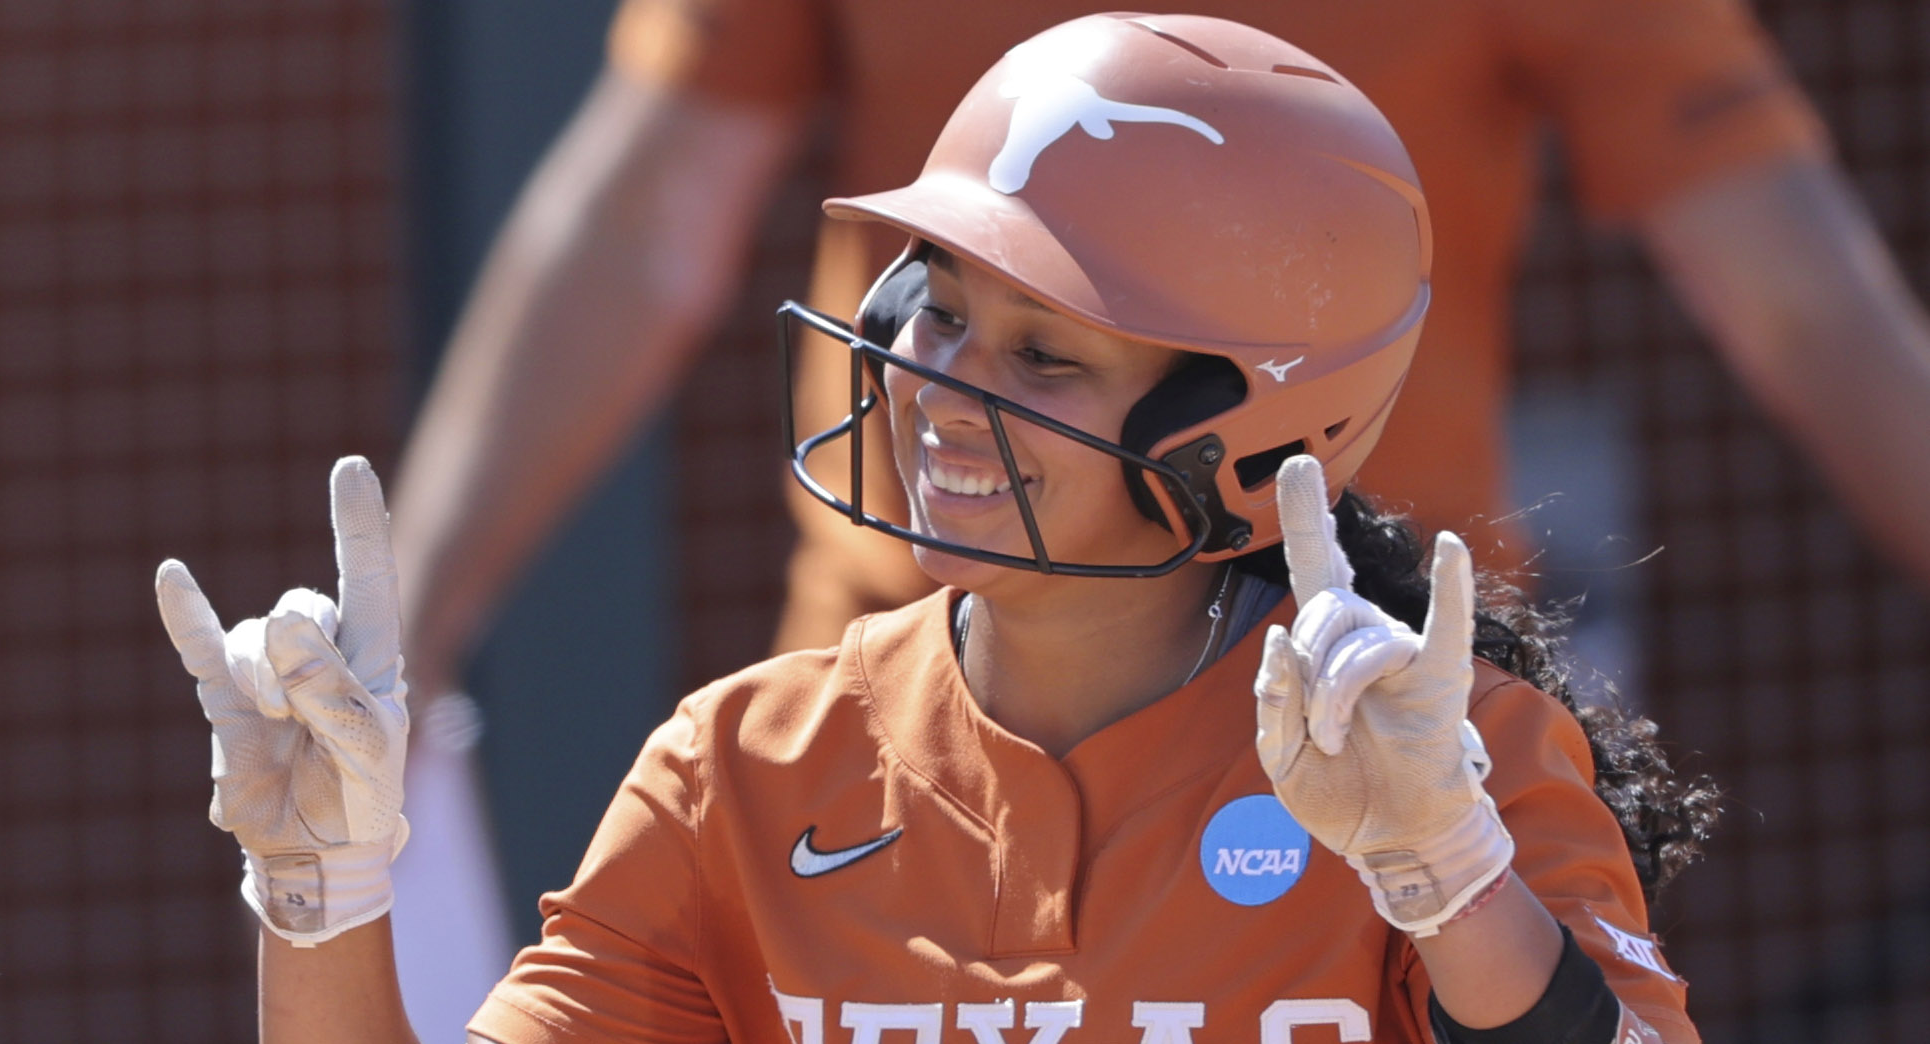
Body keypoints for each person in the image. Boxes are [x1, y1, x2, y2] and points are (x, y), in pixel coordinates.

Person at [157, 17, 1721, 1041]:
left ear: (1247, 436)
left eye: (1047, 355)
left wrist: (1447, 875)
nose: (932, 385)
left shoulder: (1450, 764)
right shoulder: (742, 769)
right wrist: (321, 895)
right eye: (936, 308)